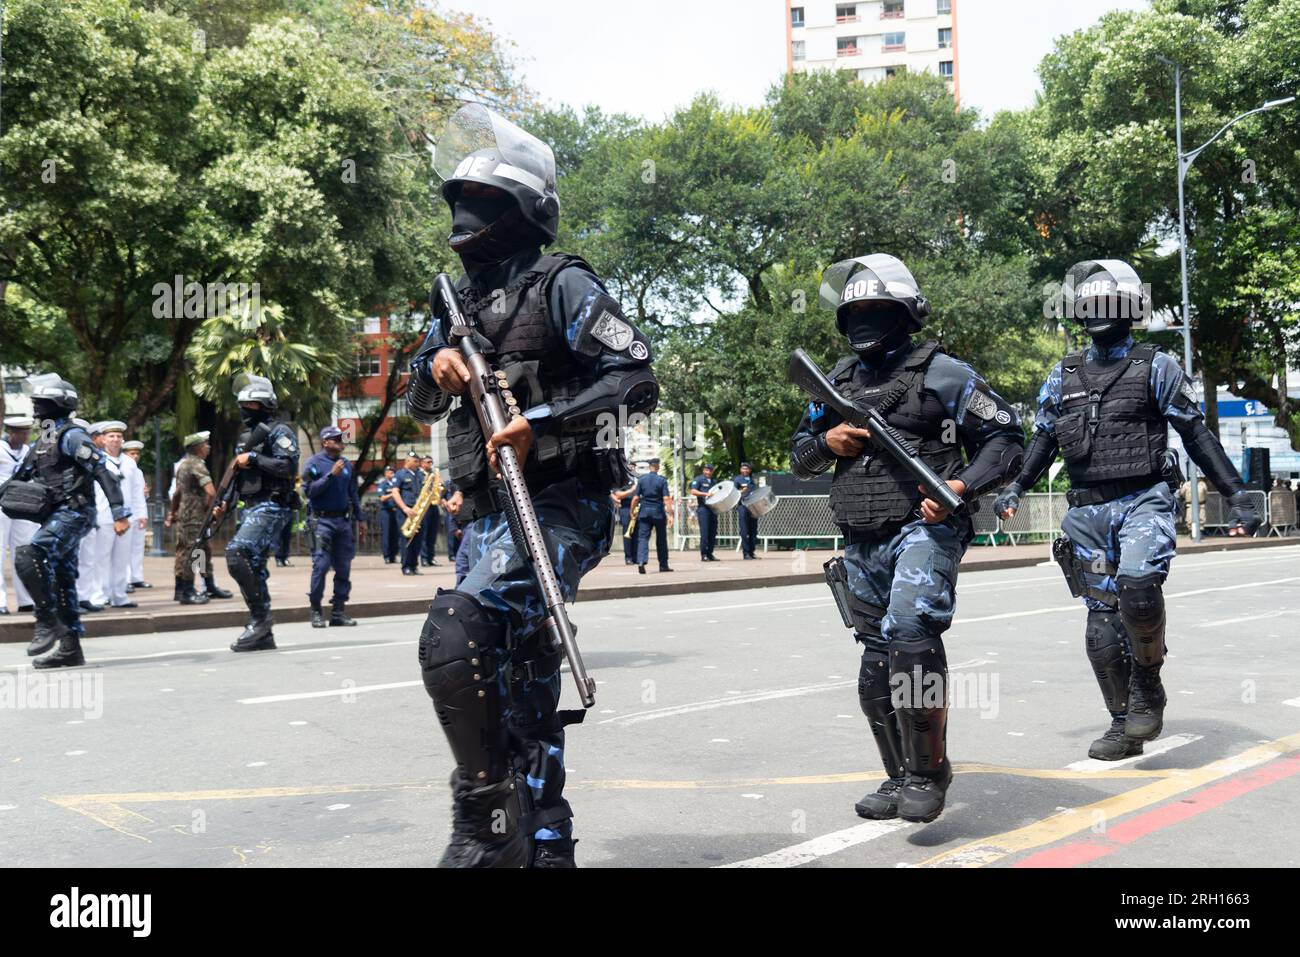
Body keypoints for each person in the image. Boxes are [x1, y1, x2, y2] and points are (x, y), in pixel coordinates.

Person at [407, 103, 658, 867]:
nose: (464, 218)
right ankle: (547, 840)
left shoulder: (563, 283)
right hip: (483, 508)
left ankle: (485, 825)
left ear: (522, 211)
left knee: (457, 630)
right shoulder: (453, 302)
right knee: (521, 669)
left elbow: (637, 374)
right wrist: (435, 367)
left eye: (481, 205)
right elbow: (415, 399)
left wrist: (539, 419)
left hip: (560, 498)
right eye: (459, 203)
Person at [790, 254, 1025, 824]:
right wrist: (830, 444)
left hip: (925, 528)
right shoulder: (835, 383)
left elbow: (1006, 439)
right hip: (862, 536)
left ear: (906, 313)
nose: (865, 320)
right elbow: (800, 458)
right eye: (855, 311)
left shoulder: (947, 374)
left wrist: (959, 485)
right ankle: (898, 776)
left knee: (912, 633)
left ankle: (927, 771)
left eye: (877, 309)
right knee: (876, 663)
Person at [996, 259, 1260, 760]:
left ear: (1132, 310)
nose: (1099, 313)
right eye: (1090, 305)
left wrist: (1235, 491)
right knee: (1100, 624)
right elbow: (1043, 440)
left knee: (1137, 591)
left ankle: (1148, 686)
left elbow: (1196, 433)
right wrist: (1015, 489)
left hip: (1143, 500)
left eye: (1109, 304)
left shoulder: (1155, 366)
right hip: (1087, 513)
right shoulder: (1064, 374)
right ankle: (1122, 722)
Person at [12, 375, 131, 668]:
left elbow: (104, 472)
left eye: (40, 402)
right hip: (55, 515)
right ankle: (70, 648)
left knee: (30, 555)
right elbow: (18, 480)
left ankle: (46, 621)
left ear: (58, 404)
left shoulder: (72, 436)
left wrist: (119, 512)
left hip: (75, 512)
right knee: (64, 581)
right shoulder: (43, 442)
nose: (35, 407)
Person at [219, 375, 300, 653]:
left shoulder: (279, 431)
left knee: (237, 553)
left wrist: (253, 458)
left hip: (273, 504)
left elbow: (287, 468)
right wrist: (224, 503)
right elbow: (238, 479)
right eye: (242, 404)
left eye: (251, 404)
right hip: (250, 506)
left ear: (265, 405)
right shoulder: (245, 438)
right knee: (253, 566)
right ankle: (262, 629)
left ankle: (260, 620)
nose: (244, 409)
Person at [302, 425, 363, 627]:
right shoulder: (313, 463)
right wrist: (330, 476)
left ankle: (338, 611)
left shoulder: (346, 464)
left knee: (344, 567)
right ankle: (316, 610)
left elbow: (353, 493)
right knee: (320, 566)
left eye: (341, 438)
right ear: (325, 442)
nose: (340, 442)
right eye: (336, 439)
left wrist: (360, 519)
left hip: (343, 522)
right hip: (321, 521)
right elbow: (309, 492)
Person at [165, 431, 232, 604]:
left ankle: (186, 588)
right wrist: (212, 511)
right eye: (206, 444)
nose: (208, 447)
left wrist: (173, 513)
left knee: (195, 551)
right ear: (199, 448)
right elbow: (211, 492)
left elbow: (177, 493)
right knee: (193, 551)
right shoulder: (197, 465)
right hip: (196, 516)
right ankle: (188, 591)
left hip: (185, 515)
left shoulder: (183, 465)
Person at [88, 422, 138, 609]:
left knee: (121, 559)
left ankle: (119, 595)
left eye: (118, 436)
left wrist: (139, 515)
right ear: (103, 439)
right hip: (104, 516)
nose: (115, 439)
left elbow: (136, 492)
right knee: (100, 559)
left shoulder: (130, 462)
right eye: (111, 436)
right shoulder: (97, 460)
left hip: (126, 518)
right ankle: (100, 595)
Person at [0, 416, 36, 614]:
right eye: (22, 433)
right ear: (11, 432)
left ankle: (25, 599)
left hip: (22, 505)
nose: (25, 436)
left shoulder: (28, 452)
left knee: (23, 552)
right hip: (1, 505)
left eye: (27, 432)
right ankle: (0, 601)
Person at [121, 439, 152, 591]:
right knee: (123, 548)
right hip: (123, 513)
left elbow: (139, 495)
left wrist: (143, 514)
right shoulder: (121, 468)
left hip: (137, 512)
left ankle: (136, 577)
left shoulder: (138, 472)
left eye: (137, 453)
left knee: (137, 547)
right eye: (132, 453)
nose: (135, 456)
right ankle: (124, 579)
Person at [631, 458, 672, 574]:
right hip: (658, 513)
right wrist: (670, 515)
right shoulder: (662, 480)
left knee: (643, 538)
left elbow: (635, 498)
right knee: (661, 540)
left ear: (650, 467)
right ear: (658, 467)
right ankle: (663, 565)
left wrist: (632, 510)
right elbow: (666, 499)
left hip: (644, 512)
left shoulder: (642, 480)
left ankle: (641, 561)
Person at [392, 452, 423, 575]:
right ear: (407, 461)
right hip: (406, 511)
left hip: (418, 511)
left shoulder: (420, 474)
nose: (417, 463)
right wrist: (404, 508)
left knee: (418, 539)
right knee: (407, 539)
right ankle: (406, 566)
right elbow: (395, 492)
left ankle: (414, 565)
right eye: (415, 461)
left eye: (418, 461)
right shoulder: (400, 474)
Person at [688, 463, 718, 562]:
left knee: (712, 533)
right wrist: (706, 494)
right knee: (704, 533)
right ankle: (704, 554)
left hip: (713, 509)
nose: (708, 472)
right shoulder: (699, 479)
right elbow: (693, 491)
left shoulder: (714, 481)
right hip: (703, 509)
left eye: (710, 470)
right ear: (704, 470)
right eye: (706, 470)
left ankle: (710, 553)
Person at [419, 455, 442, 567]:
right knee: (424, 533)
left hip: (433, 505)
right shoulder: (419, 475)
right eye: (427, 462)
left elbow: (440, 487)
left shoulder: (434, 474)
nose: (429, 464)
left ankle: (431, 557)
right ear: (422, 463)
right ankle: (424, 558)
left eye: (431, 462)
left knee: (432, 534)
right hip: (424, 507)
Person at [733, 463, 759, 558]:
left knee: (753, 530)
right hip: (743, 506)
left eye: (747, 469)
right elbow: (733, 493)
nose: (745, 470)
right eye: (743, 469)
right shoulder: (737, 479)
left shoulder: (752, 479)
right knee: (745, 530)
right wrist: (741, 491)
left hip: (753, 507)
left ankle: (752, 552)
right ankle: (746, 553)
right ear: (740, 470)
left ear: (750, 470)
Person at [376, 465, 400, 563]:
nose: (391, 474)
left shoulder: (395, 484)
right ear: (385, 474)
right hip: (386, 511)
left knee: (395, 534)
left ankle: (393, 555)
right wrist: (392, 494)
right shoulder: (383, 484)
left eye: (392, 472)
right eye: (389, 472)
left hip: (395, 511)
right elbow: (382, 498)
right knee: (386, 534)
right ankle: (386, 555)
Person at [612, 479, 637, 565]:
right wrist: (631, 490)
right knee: (628, 533)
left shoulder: (638, 480)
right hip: (626, 508)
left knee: (637, 534)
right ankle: (629, 557)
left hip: (637, 508)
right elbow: (618, 495)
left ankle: (636, 557)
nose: (632, 468)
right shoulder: (621, 480)